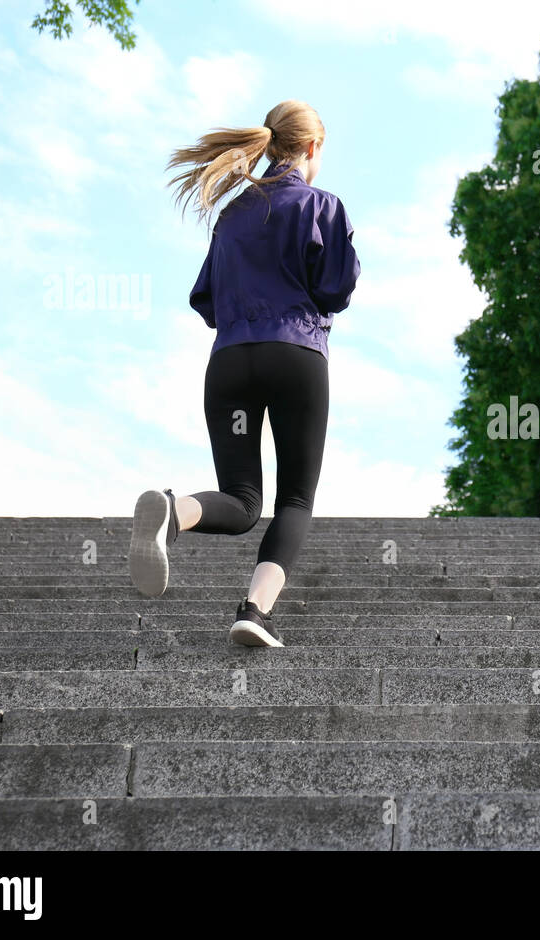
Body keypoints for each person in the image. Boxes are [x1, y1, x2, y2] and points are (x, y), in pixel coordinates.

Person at [128, 99, 360, 648]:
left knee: (241, 501)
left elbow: (207, 300)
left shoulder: (231, 215)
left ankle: (174, 513)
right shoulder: (322, 206)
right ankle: (255, 610)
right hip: (296, 356)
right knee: (294, 500)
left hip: (230, 362)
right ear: (312, 147)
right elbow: (337, 289)